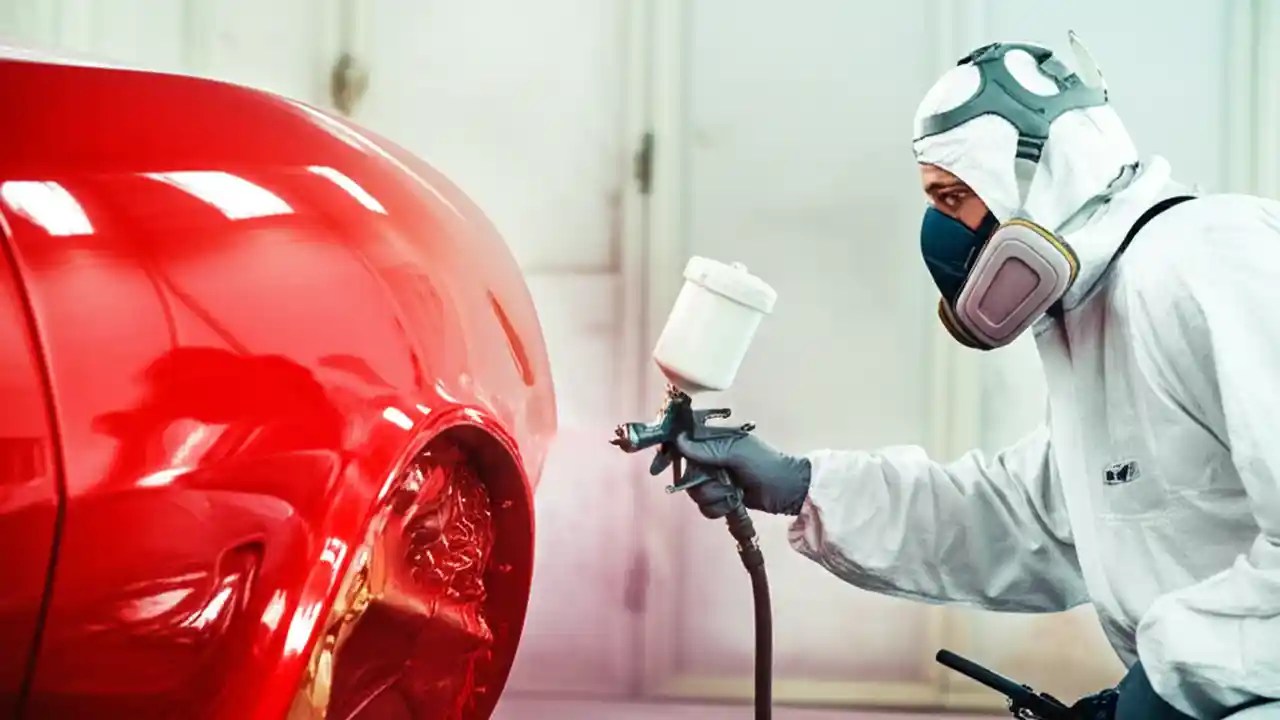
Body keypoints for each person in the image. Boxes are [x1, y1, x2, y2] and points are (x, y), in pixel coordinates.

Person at [673, 37, 1280, 720]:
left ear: (1043, 180)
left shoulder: (1209, 256)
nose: (942, 232)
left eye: (954, 197)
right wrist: (806, 486)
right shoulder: (1097, 315)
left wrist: (1170, 683)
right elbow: (1025, 519)